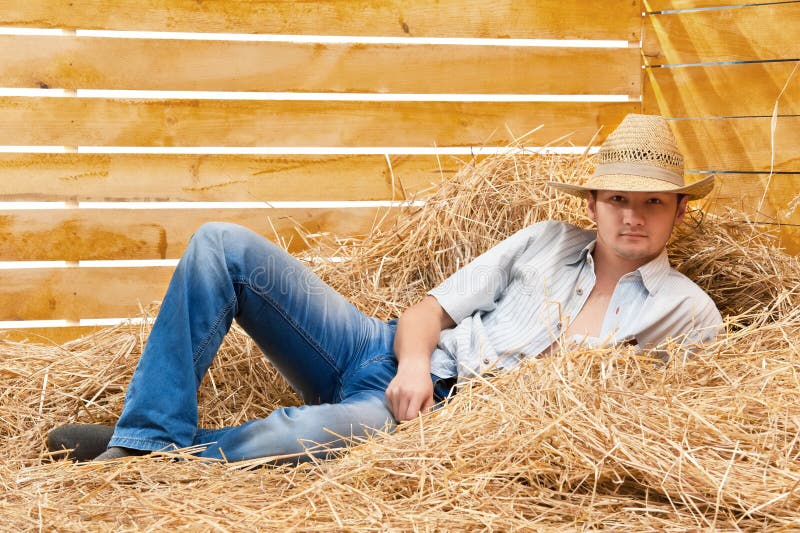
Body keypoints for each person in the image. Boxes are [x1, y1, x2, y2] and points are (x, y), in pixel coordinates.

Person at [47, 114, 722, 463]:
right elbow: (427, 311)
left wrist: (421, 394)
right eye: (619, 199)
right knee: (220, 244)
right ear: (593, 204)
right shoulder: (547, 239)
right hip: (380, 351)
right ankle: (151, 431)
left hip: (429, 420)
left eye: (654, 203)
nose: (633, 216)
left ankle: (142, 453)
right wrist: (412, 363)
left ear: (679, 212)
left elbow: (662, 423)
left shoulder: (685, 313)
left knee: (294, 434)